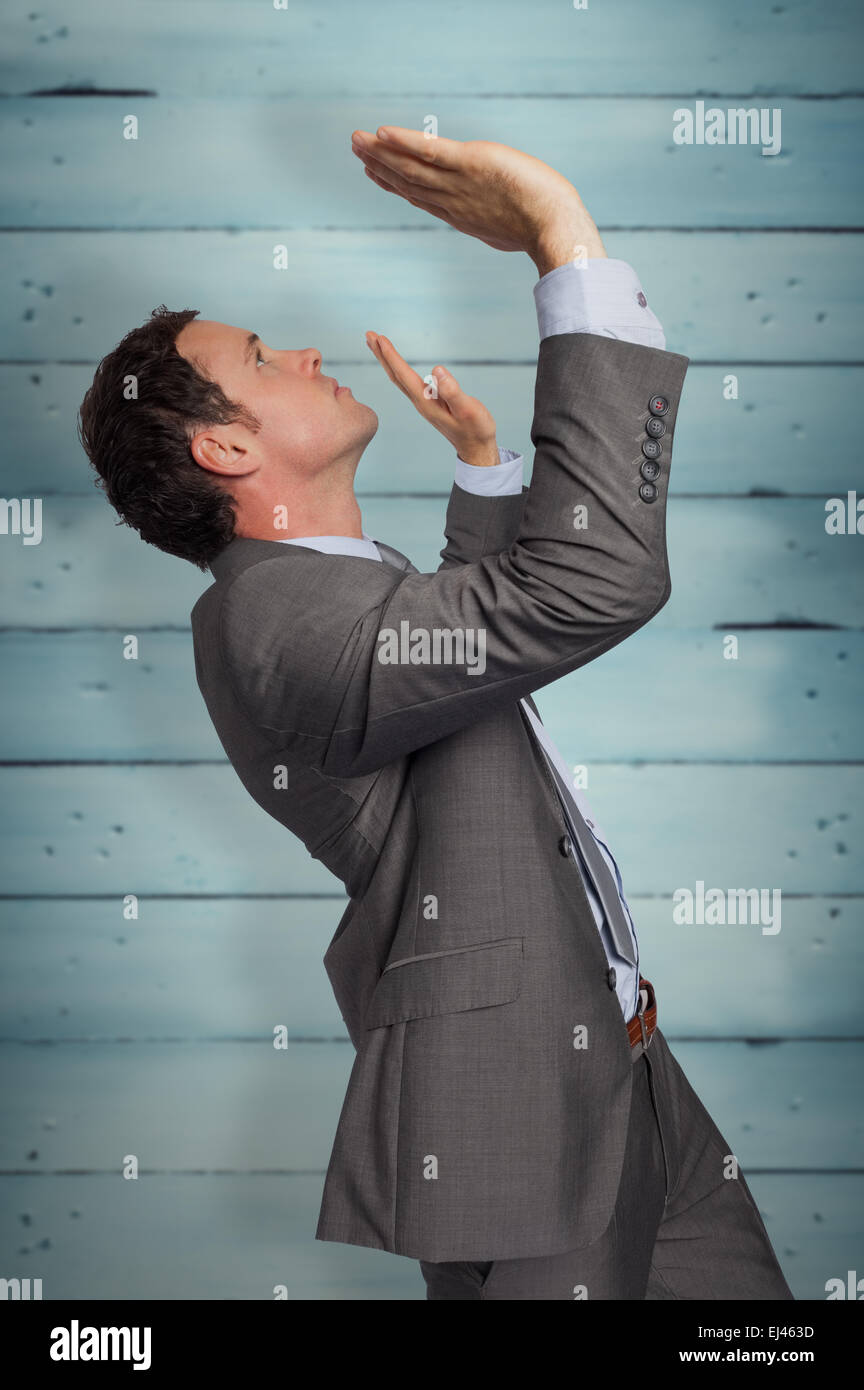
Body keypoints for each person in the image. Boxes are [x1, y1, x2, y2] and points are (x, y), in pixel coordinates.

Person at [78, 128, 793, 1300]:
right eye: (264, 355)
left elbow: (470, 665)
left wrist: (482, 470)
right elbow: (582, 590)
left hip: (624, 1077)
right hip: (520, 1121)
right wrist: (562, 239)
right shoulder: (272, 625)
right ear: (226, 444)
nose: (303, 349)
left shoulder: (321, 594)